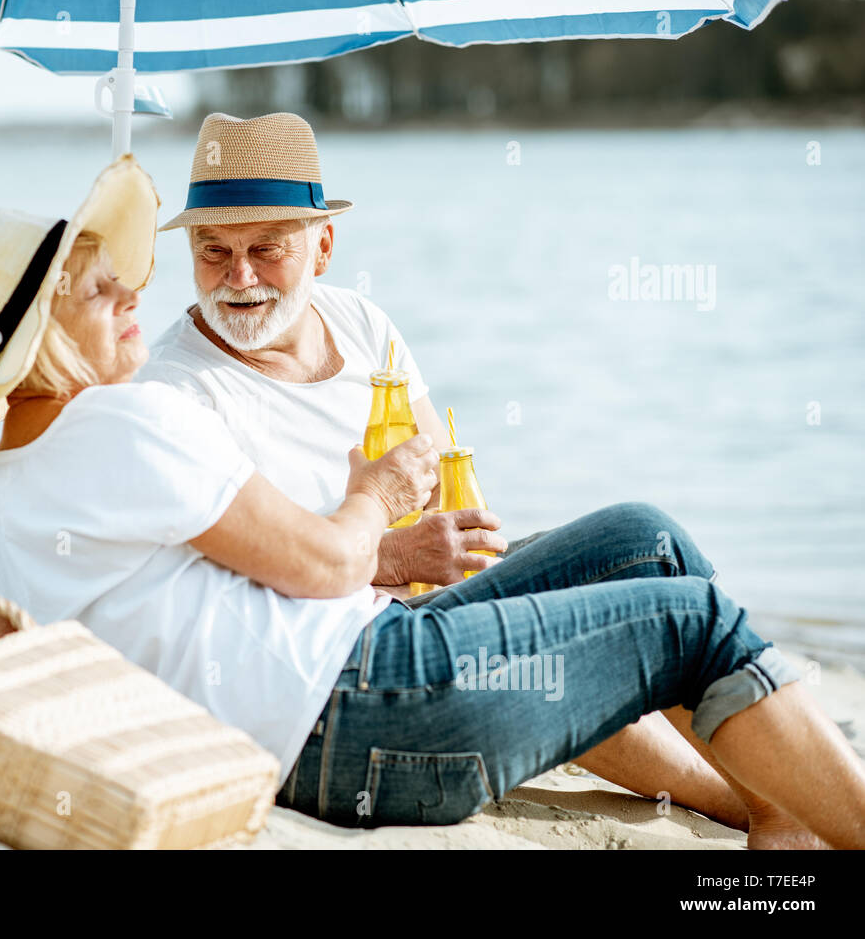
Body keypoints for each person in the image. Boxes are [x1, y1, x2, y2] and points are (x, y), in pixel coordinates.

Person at [0, 155, 865, 848]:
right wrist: (374, 495)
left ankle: (780, 817)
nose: (132, 294)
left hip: (343, 692)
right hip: (363, 709)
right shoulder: (129, 421)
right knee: (691, 621)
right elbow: (328, 564)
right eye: (99, 293)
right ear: (43, 341)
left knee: (640, 538)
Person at [133, 112, 787, 836]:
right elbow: (219, 584)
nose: (240, 276)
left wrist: (437, 537)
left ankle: (768, 776)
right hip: (347, 652)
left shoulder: (359, 324)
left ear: (322, 247)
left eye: (266, 248)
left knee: (647, 540)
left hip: (414, 597)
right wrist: (392, 551)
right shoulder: (177, 393)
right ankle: (746, 800)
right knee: (552, 640)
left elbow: (433, 471)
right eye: (214, 250)